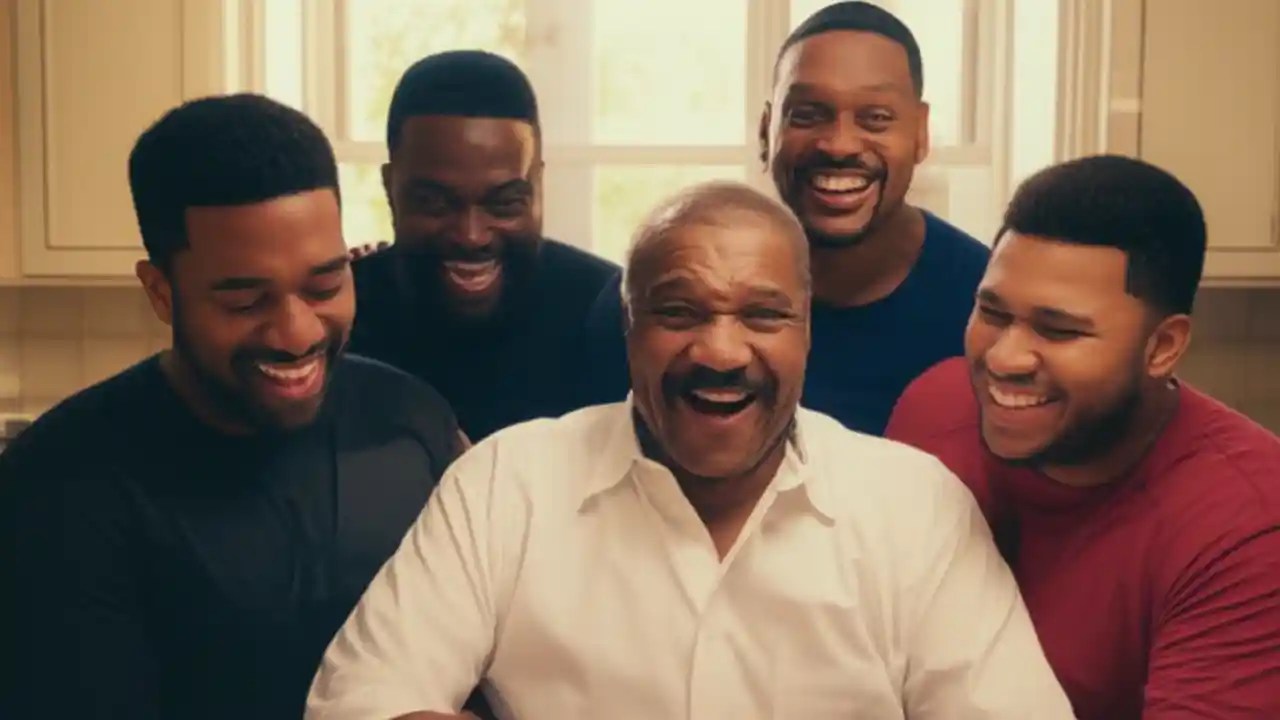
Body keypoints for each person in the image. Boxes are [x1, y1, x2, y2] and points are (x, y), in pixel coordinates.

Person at [304, 181, 1074, 720]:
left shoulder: (916, 505)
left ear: (808, 331)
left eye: (764, 315)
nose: (720, 350)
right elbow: (359, 703)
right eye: (679, 311)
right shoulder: (508, 484)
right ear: (628, 324)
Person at [0, 94, 464, 720]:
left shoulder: (413, 422)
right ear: (161, 291)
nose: (297, 333)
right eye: (245, 302)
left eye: (325, 284)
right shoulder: (58, 487)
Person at [885, 155, 1280, 719]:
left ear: (1163, 347)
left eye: (1060, 330)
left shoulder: (1247, 527)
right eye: (992, 312)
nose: (1004, 357)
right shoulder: (935, 408)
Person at [582, 1, 990, 435]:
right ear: (765, 131)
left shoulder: (983, 309)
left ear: (920, 133)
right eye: (807, 115)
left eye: (876, 118)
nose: (839, 144)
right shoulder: (654, 303)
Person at [348, 50, 620, 442]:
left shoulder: (608, 314)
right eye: (436, 204)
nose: (471, 235)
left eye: (504, 204)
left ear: (538, 185)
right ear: (391, 187)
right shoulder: (338, 319)